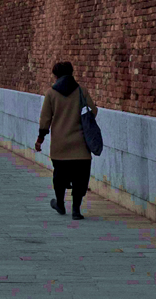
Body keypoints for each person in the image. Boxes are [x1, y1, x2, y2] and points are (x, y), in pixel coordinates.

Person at [35, 61, 97, 220]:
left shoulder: (51, 93)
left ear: (56, 75)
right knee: (80, 178)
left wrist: (40, 139)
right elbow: (93, 111)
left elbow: (45, 119)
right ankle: (76, 209)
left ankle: (60, 203)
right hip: (81, 144)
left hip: (60, 144)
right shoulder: (81, 91)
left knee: (59, 176)